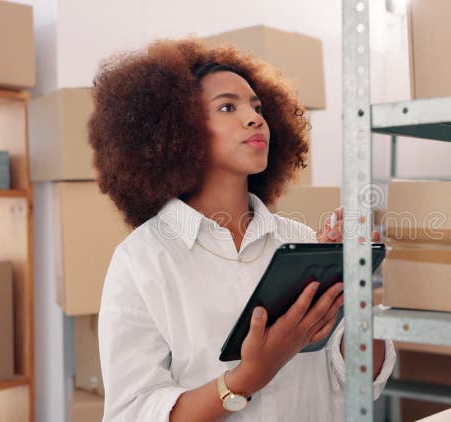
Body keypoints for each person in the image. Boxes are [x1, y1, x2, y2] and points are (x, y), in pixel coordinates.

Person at [88, 38, 395, 422]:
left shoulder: (298, 242)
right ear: (176, 128)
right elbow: (133, 413)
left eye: (257, 107)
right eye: (227, 107)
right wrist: (248, 377)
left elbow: (359, 380)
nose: (254, 119)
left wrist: (358, 287)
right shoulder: (142, 260)